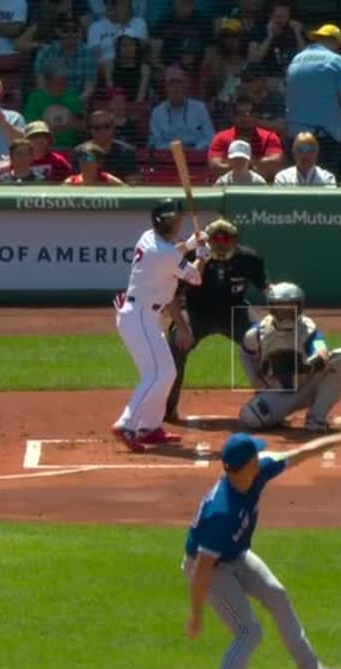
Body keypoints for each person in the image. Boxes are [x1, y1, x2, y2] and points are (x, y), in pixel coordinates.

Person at [183, 429, 341, 669]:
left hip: (236, 555)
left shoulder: (258, 470)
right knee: (249, 632)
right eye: (255, 458)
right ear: (247, 466)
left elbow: (302, 453)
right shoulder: (221, 512)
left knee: (277, 594)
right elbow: (202, 570)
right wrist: (196, 616)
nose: (260, 460)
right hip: (209, 569)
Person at [111, 200, 207, 452]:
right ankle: (126, 424)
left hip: (143, 315)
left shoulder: (149, 238)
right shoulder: (165, 253)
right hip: (140, 316)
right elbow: (195, 277)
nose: (177, 224)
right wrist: (202, 256)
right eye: (174, 221)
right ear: (163, 223)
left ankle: (149, 427)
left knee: (167, 372)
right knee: (156, 375)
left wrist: (190, 245)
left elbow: (171, 254)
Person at [163, 218, 267, 423]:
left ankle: (269, 403)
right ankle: (167, 409)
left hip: (235, 311)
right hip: (196, 311)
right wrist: (182, 328)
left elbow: (266, 287)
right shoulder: (193, 255)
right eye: (216, 239)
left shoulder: (249, 258)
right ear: (209, 240)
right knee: (176, 343)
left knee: (265, 340)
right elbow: (173, 294)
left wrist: (276, 298)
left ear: (234, 241)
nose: (220, 244)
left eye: (225, 240)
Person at [237, 283, 341, 434]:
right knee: (250, 418)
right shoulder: (257, 333)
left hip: (308, 384)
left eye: (290, 308)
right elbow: (244, 352)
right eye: (281, 308)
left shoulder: (307, 330)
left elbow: (323, 353)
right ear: (272, 308)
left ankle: (316, 417)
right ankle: (278, 415)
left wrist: (303, 367)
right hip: (279, 392)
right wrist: (254, 377)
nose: (286, 312)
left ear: (299, 308)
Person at [284, 23, 341, 181]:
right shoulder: (337, 61)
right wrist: (338, 123)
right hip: (326, 142)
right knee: (331, 192)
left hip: (295, 140)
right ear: (337, 42)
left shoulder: (295, 60)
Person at [208, 93, 284, 178]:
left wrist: (237, 164)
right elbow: (216, 167)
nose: (243, 118)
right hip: (228, 186)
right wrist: (252, 165)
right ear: (233, 116)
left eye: (248, 114)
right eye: (239, 113)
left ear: (255, 115)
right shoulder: (221, 138)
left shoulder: (269, 137)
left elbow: (273, 164)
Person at [149, 65, 215, 150]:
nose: (176, 89)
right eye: (172, 85)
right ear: (166, 88)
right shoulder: (157, 113)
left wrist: (195, 149)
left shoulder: (200, 108)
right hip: (168, 157)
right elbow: (156, 143)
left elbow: (210, 138)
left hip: (196, 156)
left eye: (179, 85)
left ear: (185, 86)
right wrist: (177, 150)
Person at [0, 121, 74, 182]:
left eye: (43, 138)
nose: (39, 142)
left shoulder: (59, 161)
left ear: (49, 141)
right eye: (34, 138)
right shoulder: (16, 161)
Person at [76, 109, 141, 180]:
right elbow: (76, 180)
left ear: (113, 127)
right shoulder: (81, 151)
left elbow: (133, 183)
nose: (101, 131)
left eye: (106, 126)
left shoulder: (126, 152)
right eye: (96, 128)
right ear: (90, 129)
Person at [273, 132, 337, 185]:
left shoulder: (327, 179)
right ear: (293, 151)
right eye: (300, 149)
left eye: (310, 150)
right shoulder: (283, 178)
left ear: (317, 152)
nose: (305, 154)